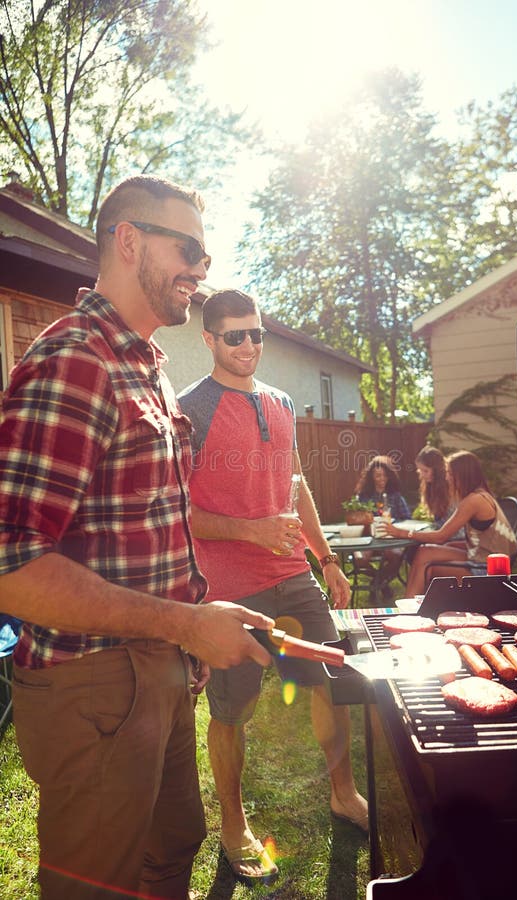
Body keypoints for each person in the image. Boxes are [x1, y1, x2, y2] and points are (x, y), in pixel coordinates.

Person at [0, 176, 274, 900]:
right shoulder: (74, 362)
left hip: (160, 664)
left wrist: (188, 634)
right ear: (129, 240)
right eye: (189, 248)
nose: (203, 269)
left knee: (173, 844)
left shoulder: (146, 363)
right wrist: (185, 624)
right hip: (92, 685)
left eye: (206, 253)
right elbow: (11, 566)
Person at [178, 288, 368, 886]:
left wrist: (327, 559)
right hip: (228, 589)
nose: (249, 346)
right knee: (234, 711)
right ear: (208, 339)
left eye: (255, 333)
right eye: (234, 336)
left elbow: (296, 484)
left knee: (330, 684)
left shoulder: (281, 400)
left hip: (293, 576)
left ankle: (344, 793)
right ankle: (233, 825)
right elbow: (177, 510)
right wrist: (250, 530)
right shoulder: (190, 409)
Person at [385, 450, 517, 596]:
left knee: (427, 562)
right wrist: (450, 547)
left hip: (487, 570)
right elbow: (482, 538)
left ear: (462, 475)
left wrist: (401, 533)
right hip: (479, 557)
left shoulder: (473, 501)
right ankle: (413, 605)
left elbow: (440, 536)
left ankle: (409, 608)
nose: (447, 477)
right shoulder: (481, 495)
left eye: (450, 473)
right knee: (425, 552)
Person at [351, 455, 411, 598]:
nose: (382, 479)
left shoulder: (395, 496)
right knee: (359, 559)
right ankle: (381, 582)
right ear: (371, 477)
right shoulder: (363, 497)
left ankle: (376, 583)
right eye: (378, 475)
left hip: (390, 539)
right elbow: (356, 519)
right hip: (368, 539)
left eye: (385, 475)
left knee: (396, 556)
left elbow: (407, 518)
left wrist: (395, 525)